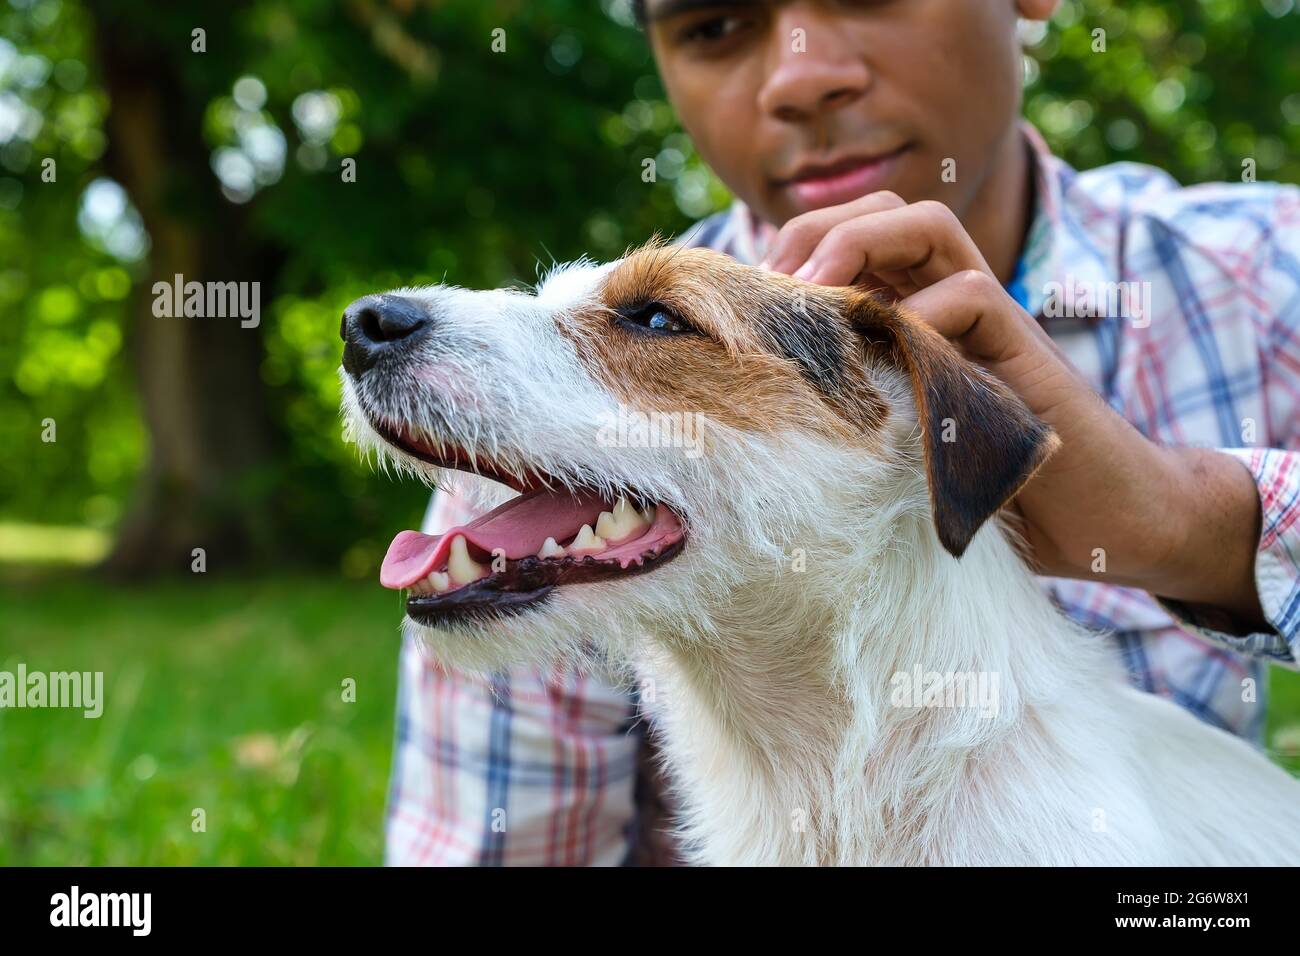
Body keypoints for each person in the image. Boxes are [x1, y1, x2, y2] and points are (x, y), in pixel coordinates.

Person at [384, 0, 1300, 865]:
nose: (800, 77)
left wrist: (1191, 522)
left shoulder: (1265, 274)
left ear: (909, 422)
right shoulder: (532, 468)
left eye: (658, 323)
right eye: (716, 23)